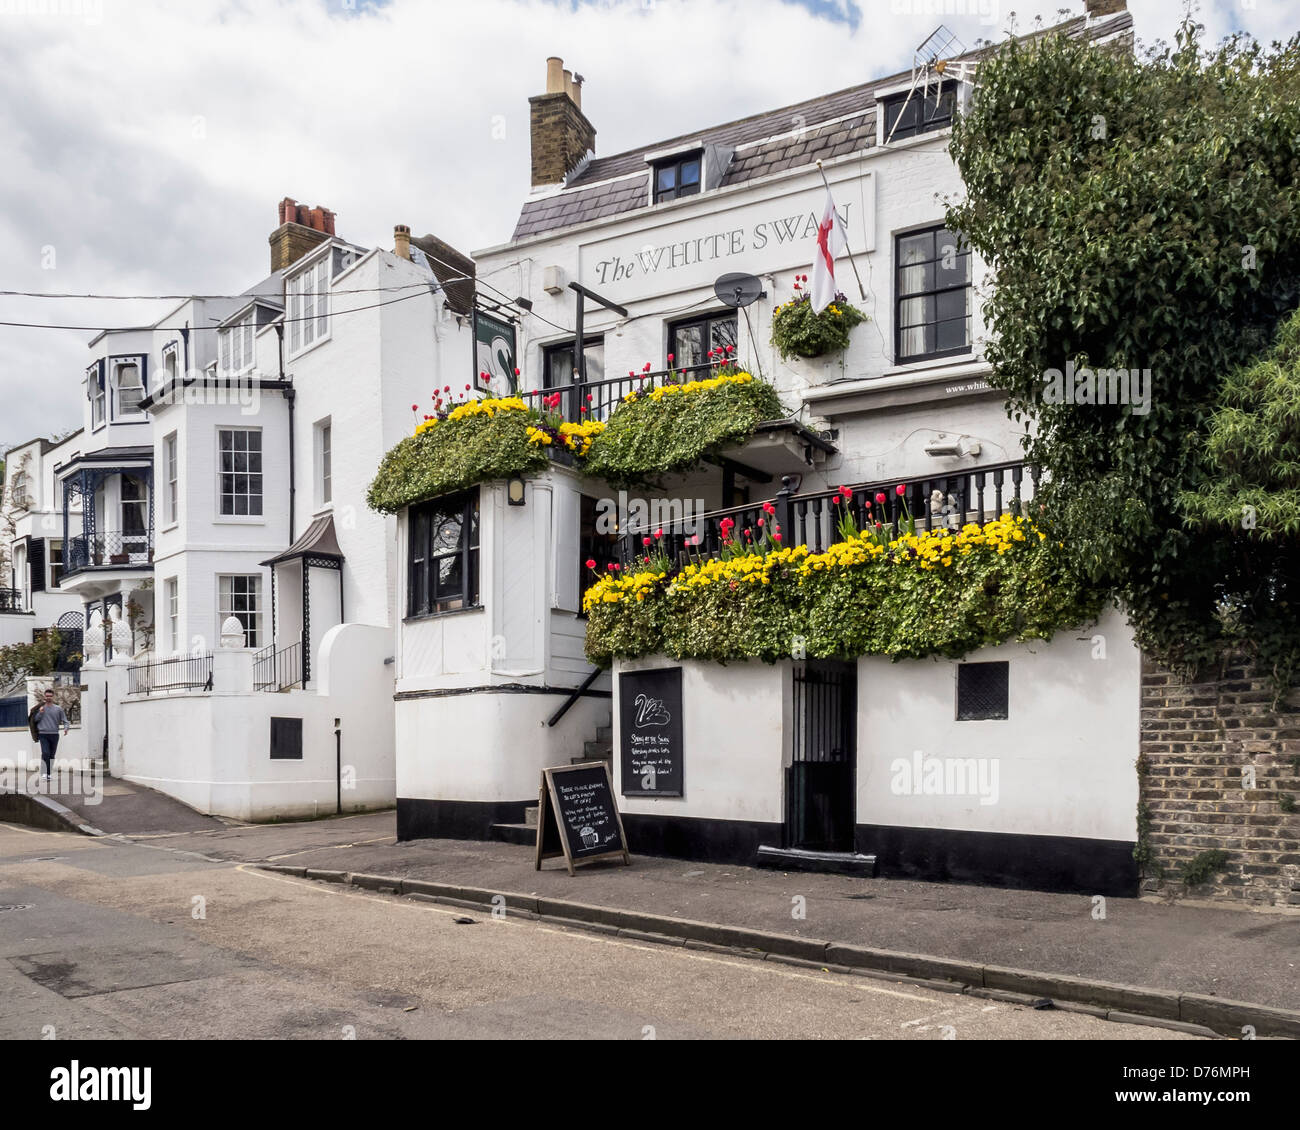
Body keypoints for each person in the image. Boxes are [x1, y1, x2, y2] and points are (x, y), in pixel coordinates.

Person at [34, 689, 70, 783]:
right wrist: (40, 713)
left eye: (50, 696)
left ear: (53, 697)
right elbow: (35, 720)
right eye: (47, 696)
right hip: (43, 734)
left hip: (54, 734)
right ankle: (44, 773)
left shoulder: (58, 709)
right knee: (45, 753)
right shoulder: (40, 708)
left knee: (51, 755)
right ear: (44, 697)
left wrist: (66, 728)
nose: (48, 698)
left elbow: (65, 720)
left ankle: (48, 774)